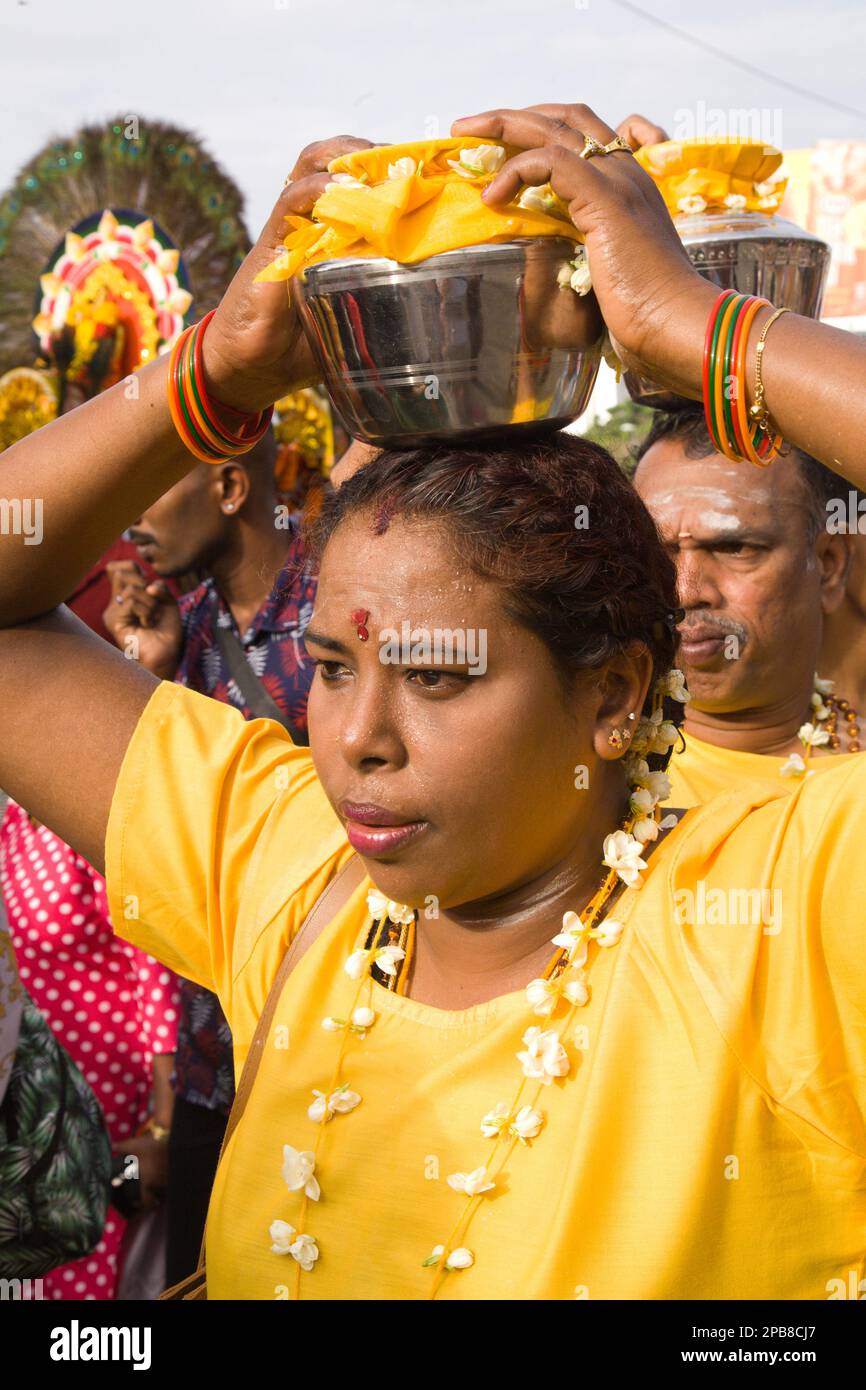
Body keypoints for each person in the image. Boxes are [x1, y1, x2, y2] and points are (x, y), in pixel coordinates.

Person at [1, 106, 866, 1300]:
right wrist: (212, 376)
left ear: (613, 694)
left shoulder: (782, 909)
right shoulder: (294, 864)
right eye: (333, 668)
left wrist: (703, 331)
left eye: (439, 675)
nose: (356, 742)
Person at [101, 426, 318, 1286]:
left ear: (230, 490)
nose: (129, 522)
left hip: (328, 1049)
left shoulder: (344, 609)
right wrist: (140, 681)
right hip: (206, 1064)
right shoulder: (179, 627)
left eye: (150, 487)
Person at [632, 407, 861, 805]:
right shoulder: (585, 779)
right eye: (659, 554)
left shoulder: (854, 777)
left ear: (828, 566)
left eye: (733, 548)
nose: (686, 592)